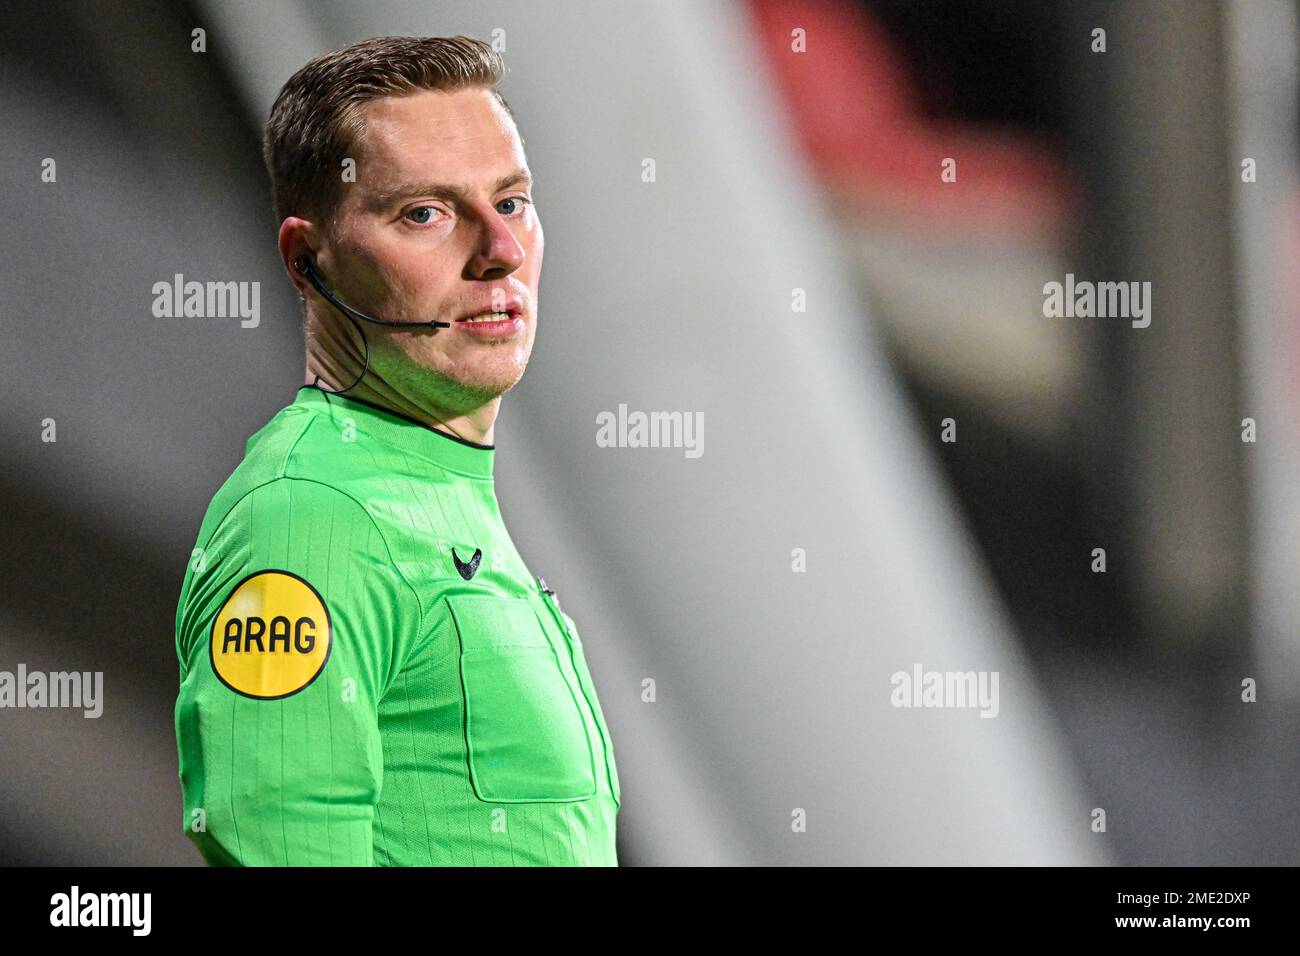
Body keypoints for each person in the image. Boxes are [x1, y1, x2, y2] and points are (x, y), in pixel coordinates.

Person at [173, 35, 620, 866]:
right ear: (309, 262)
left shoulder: (437, 493)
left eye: (512, 202)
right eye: (427, 213)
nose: (502, 252)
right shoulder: (309, 519)